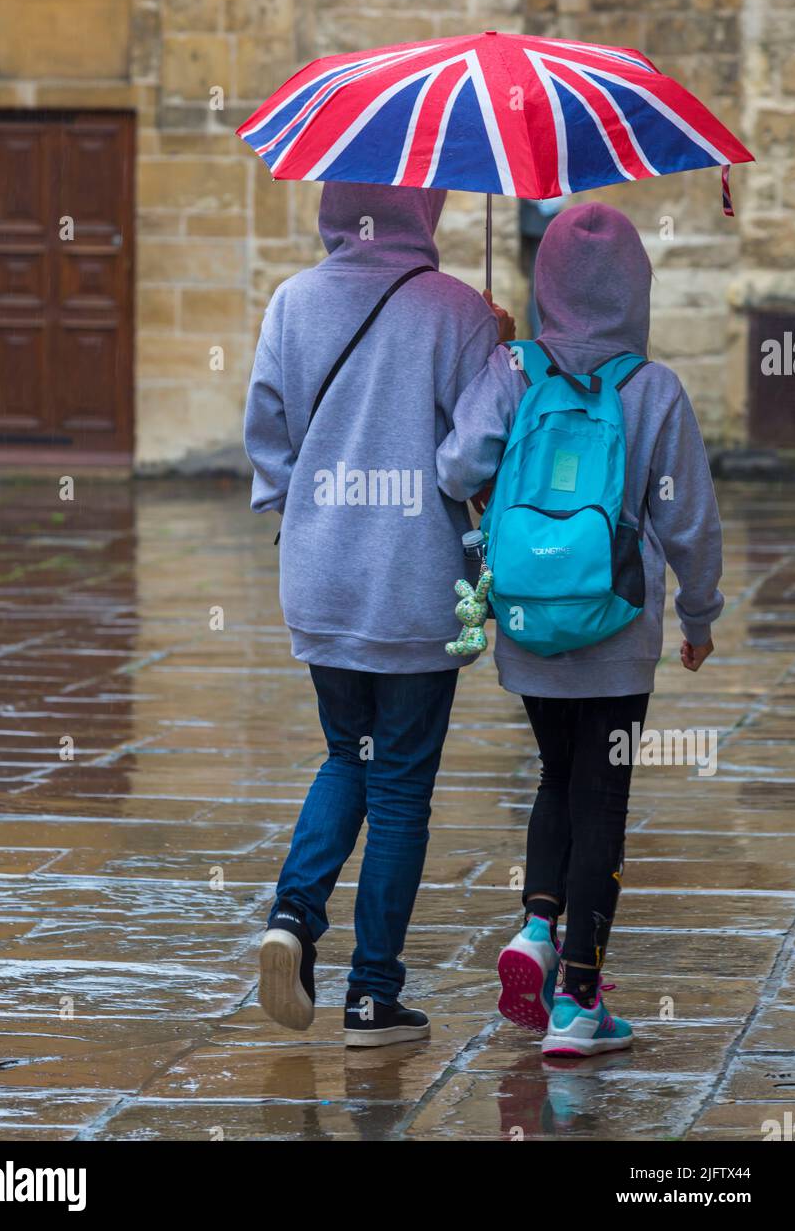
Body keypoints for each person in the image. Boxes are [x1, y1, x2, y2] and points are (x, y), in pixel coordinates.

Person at [436, 201, 723, 1057]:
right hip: (620, 629)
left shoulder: (513, 368)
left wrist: (494, 353)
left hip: (528, 623)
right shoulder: (654, 388)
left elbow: (456, 467)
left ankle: (535, 929)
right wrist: (700, 615)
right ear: (636, 288)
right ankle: (578, 1003)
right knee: (604, 794)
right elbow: (691, 524)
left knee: (556, 774)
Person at [244, 181, 507, 1047]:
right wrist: (496, 360)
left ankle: (292, 914)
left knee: (345, 752)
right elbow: (471, 460)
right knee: (399, 784)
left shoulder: (290, 302)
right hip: (412, 582)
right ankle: (371, 997)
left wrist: (312, 505)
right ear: (420, 209)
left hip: (321, 576)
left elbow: (268, 439)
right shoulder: (457, 309)